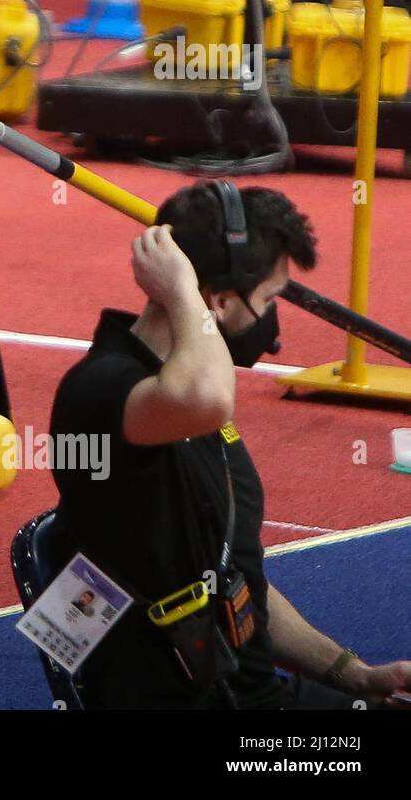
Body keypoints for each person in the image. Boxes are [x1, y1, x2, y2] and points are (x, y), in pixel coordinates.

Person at [49, 180, 411, 709]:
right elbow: (208, 396)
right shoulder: (102, 391)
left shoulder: (189, 404)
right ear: (216, 299)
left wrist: (351, 674)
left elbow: (236, 578)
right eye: (267, 298)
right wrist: (182, 294)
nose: (273, 325)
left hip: (254, 696)